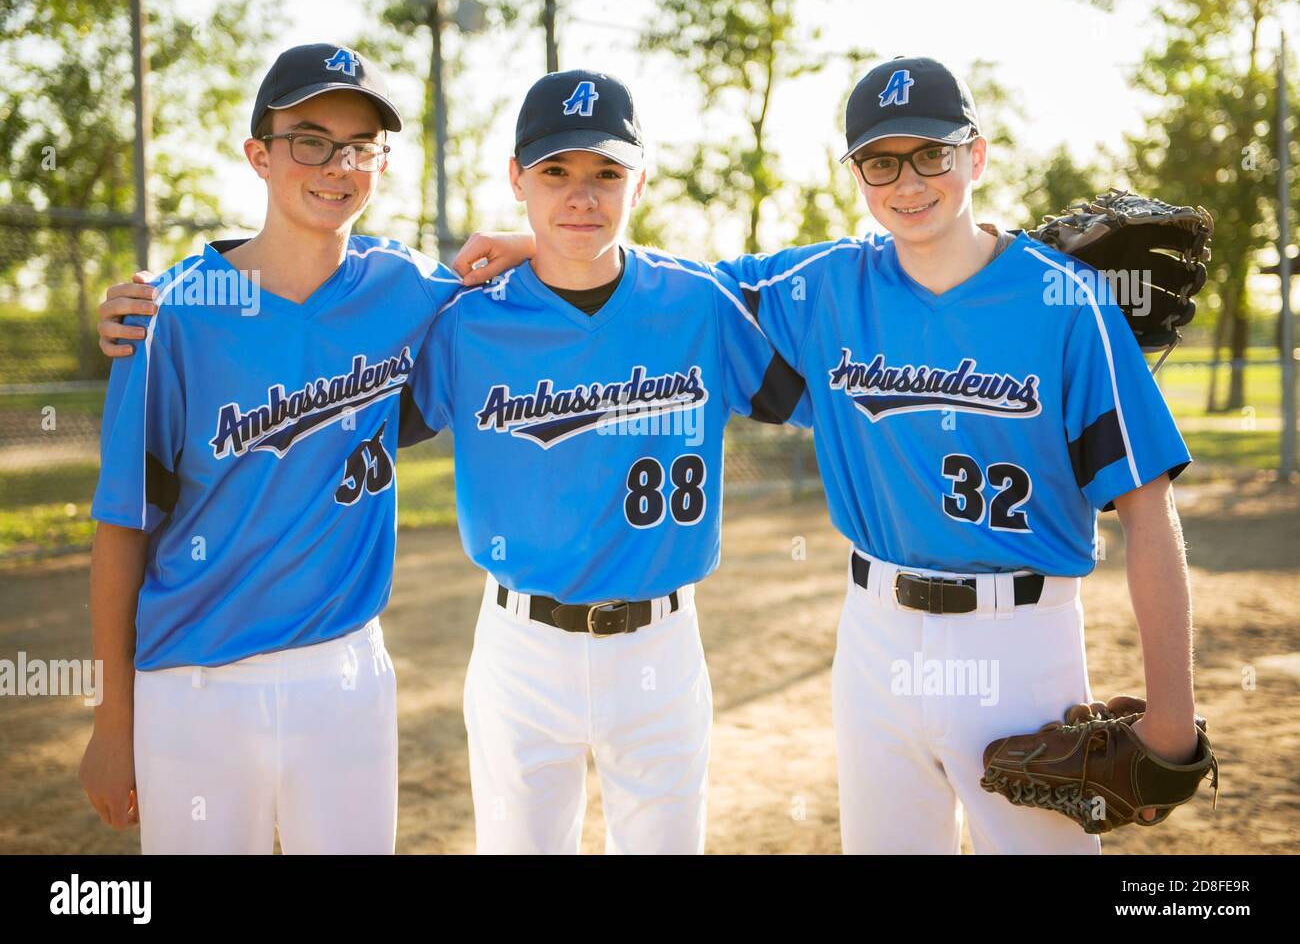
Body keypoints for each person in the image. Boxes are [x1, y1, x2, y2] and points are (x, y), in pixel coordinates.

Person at [95, 68, 809, 855]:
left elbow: (820, 381)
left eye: (607, 173)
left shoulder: (683, 301)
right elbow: (149, 507)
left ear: (639, 180)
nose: (582, 193)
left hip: (653, 642)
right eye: (555, 173)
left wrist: (539, 240)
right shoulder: (437, 317)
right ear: (517, 178)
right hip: (505, 645)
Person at [714, 56, 1200, 853]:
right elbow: (668, 294)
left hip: (1021, 646)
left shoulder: (1066, 300)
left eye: (931, 154)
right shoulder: (825, 285)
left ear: (975, 156)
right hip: (873, 640)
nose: (908, 182)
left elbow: (1149, 509)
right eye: (881, 161)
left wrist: (1171, 717)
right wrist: (555, 241)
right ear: (858, 176)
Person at [81, 43, 465, 853]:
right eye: (310, 140)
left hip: (346, 674)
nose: (337, 164)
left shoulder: (407, 289)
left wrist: (527, 240)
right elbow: (121, 525)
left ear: (382, 163)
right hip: (193, 686)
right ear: (259, 155)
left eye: (360, 145)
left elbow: (530, 292)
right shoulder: (173, 313)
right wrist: (114, 721)